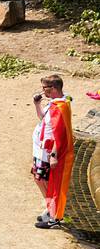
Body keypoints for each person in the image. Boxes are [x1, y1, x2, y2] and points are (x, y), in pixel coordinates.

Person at [32, 74, 74, 229]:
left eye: (45, 88)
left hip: (49, 153)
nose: (43, 91)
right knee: (39, 179)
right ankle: (50, 208)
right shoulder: (53, 103)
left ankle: (54, 217)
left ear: (54, 88)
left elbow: (60, 135)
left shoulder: (61, 107)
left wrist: (54, 156)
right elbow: (43, 118)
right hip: (41, 150)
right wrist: (37, 104)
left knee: (50, 183)